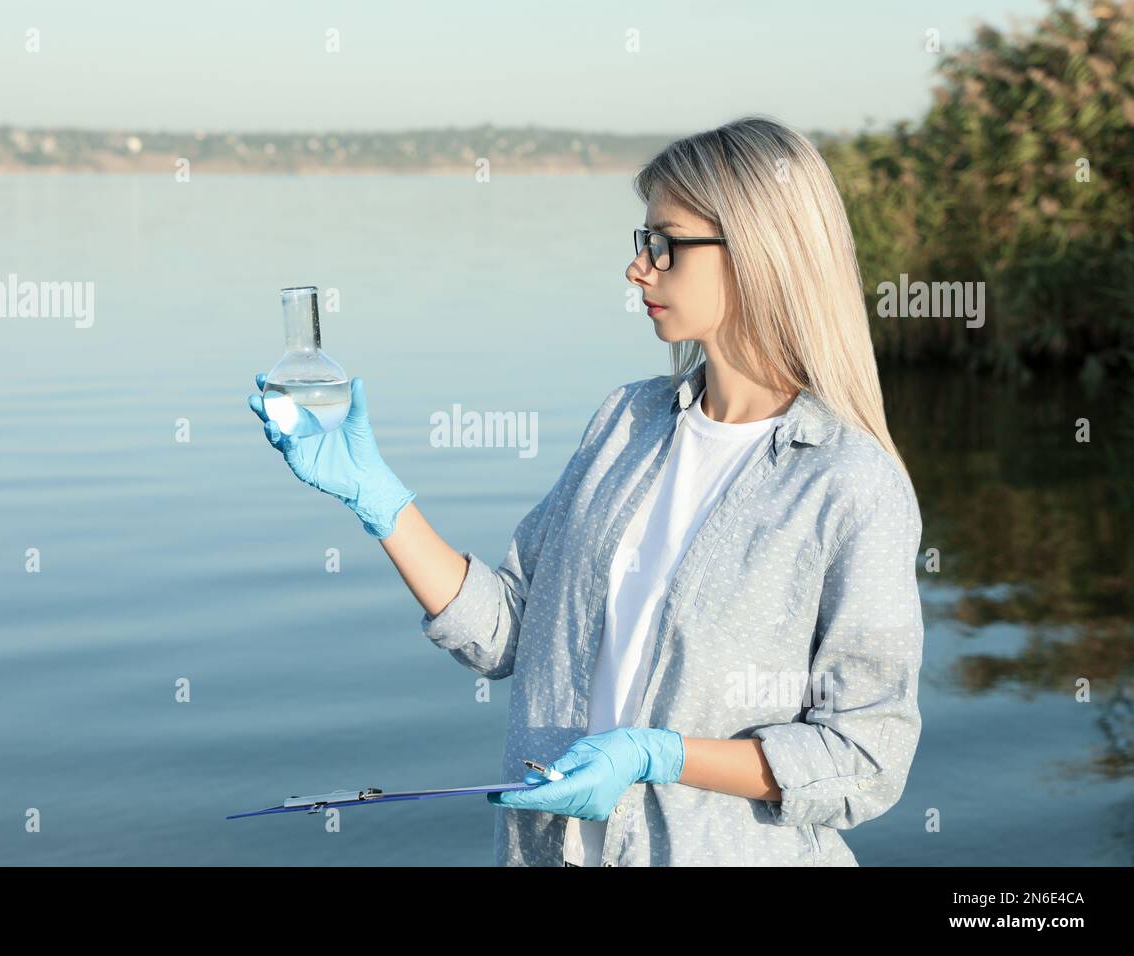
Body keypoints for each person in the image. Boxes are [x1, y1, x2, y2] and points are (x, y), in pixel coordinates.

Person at [248, 115, 925, 867]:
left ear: (757, 254)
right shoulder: (625, 424)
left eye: (663, 245)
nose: (639, 270)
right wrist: (377, 498)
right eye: (642, 246)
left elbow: (864, 757)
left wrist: (660, 756)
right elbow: (507, 630)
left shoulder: (849, 483)